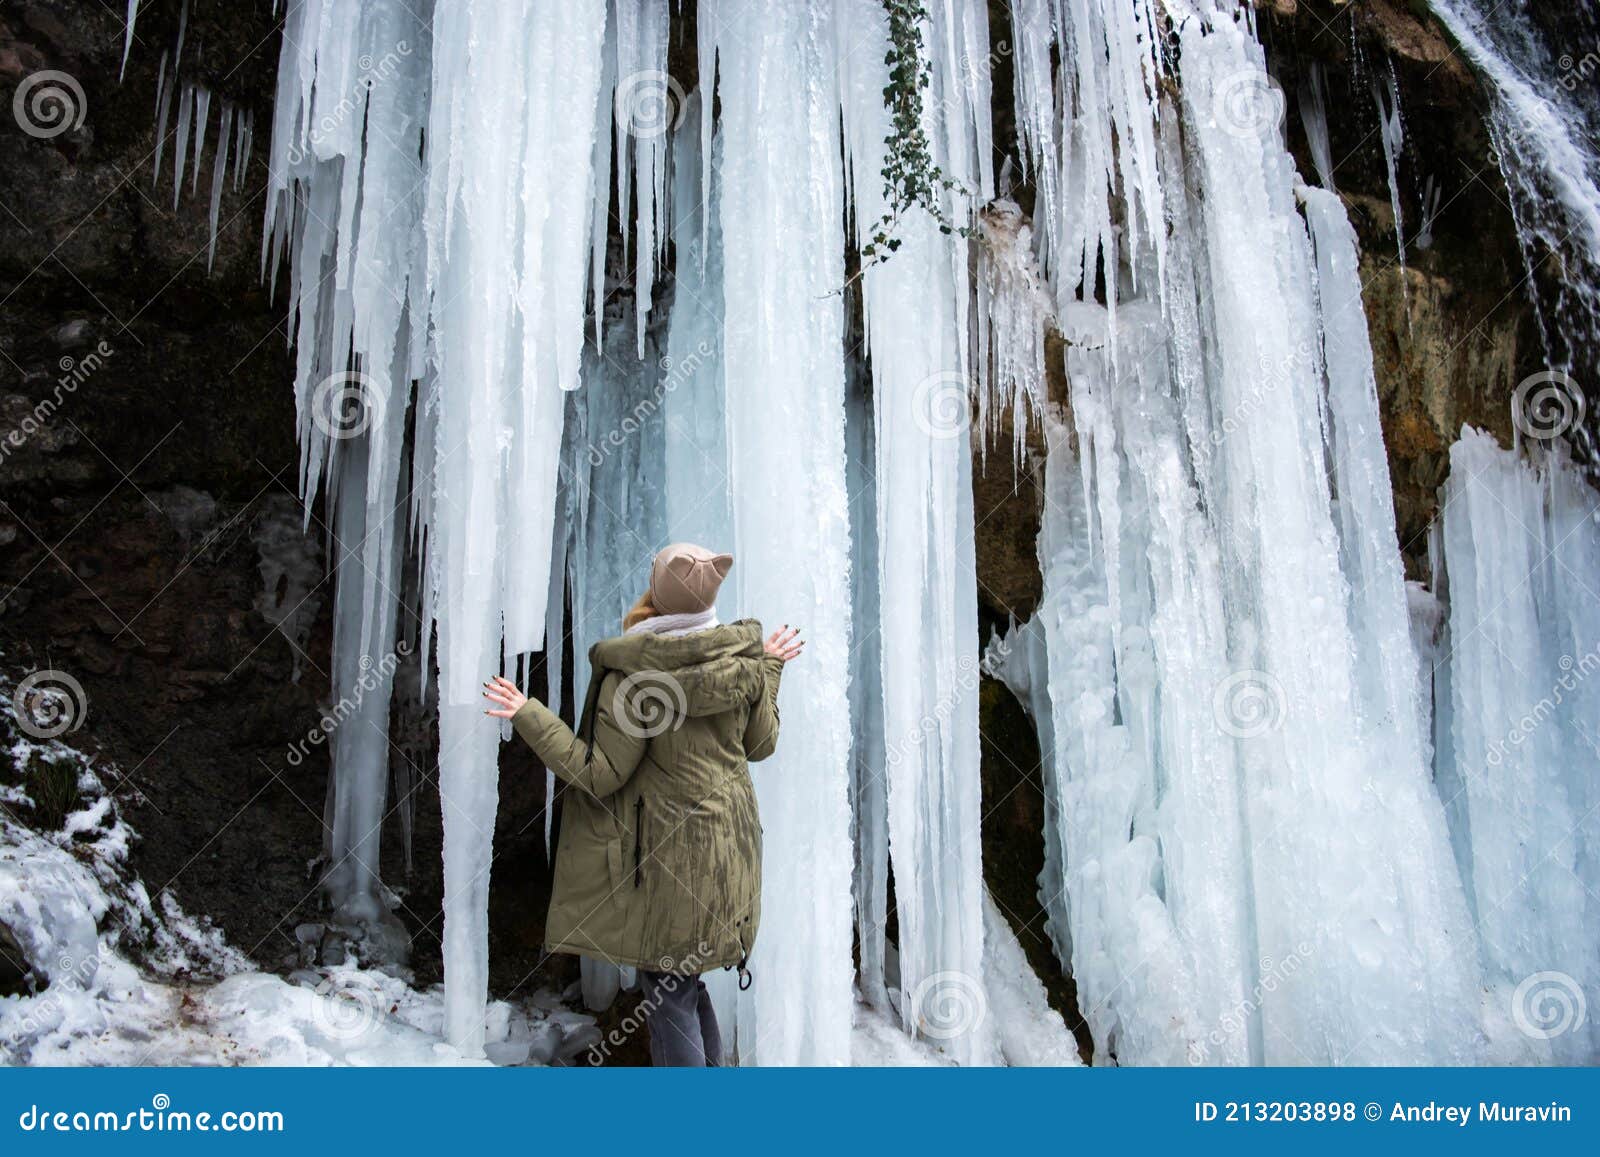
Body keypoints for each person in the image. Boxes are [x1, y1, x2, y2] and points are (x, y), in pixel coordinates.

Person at [482, 542, 803, 1066]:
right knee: (683, 983)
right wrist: (769, 669)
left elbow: (599, 773)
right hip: (734, 855)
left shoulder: (636, 682)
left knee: (668, 988)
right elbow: (761, 745)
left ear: (657, 594)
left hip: (674, 866)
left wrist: (528, 714)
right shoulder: (740, 663)